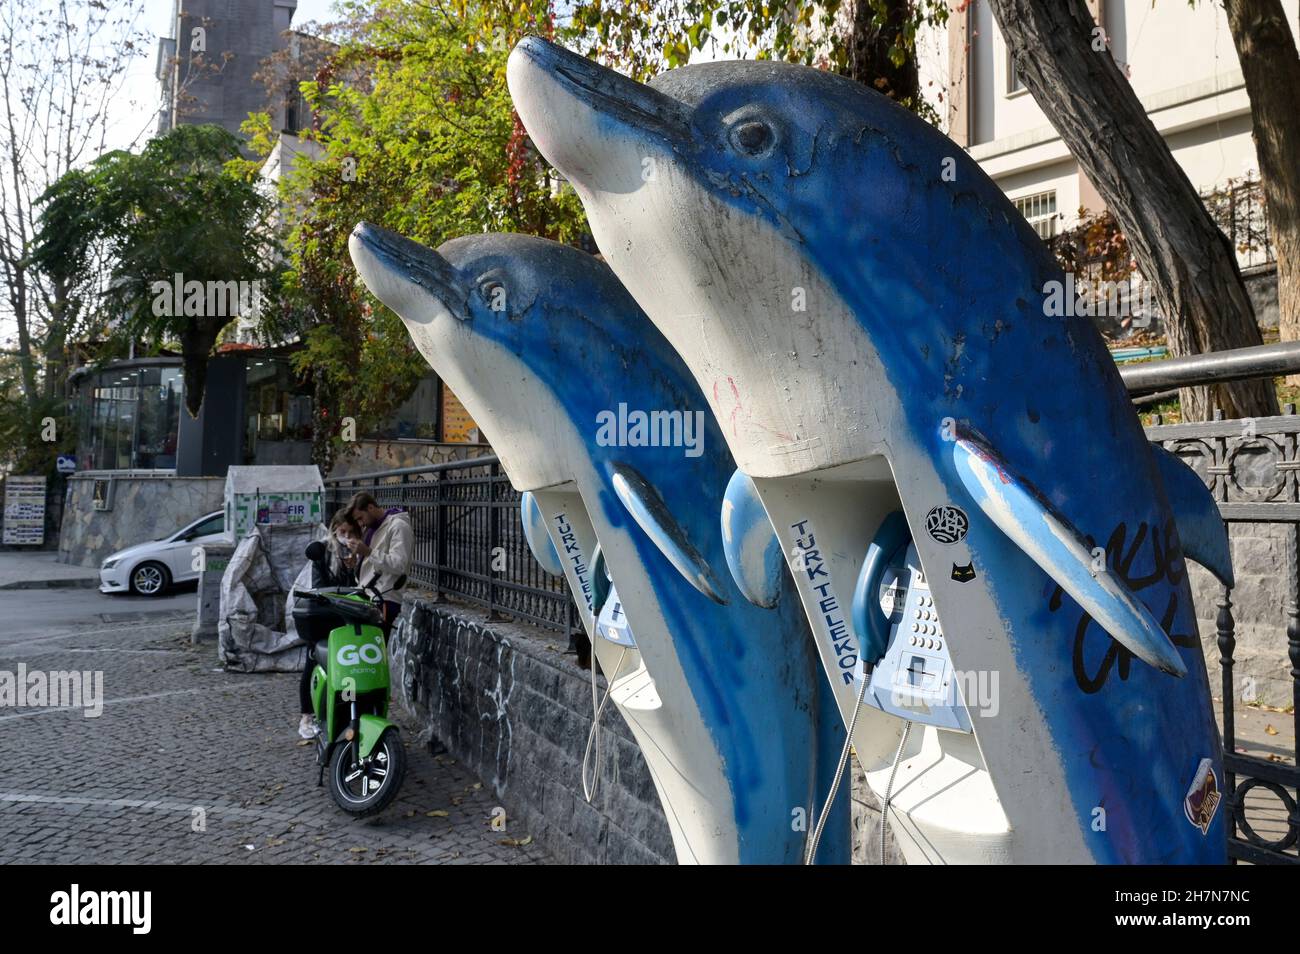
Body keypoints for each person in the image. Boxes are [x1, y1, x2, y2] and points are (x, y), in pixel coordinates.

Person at [297, 508, 364, 739]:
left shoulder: (357, 551)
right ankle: (306, 715)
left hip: (346, 615)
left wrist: (354, 567)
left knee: (348, 664)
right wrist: (332, 594)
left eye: (350, 532)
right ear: (334, 529)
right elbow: (318, 583)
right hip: (322, 614)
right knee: (312, 659)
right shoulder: (324, 550)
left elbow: (362, 584)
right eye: (342, 531)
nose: (345, 536)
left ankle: (345, 710)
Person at [347, 491, 414, 635]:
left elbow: (399, 565)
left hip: (385, 598)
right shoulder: (372, 527)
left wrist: (368, 552)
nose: (360, 523)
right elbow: (373, 561)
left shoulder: (398, 526)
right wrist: (358, 560)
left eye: (360, 518)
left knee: (373, 649)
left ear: (370, 508)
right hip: (368, 595)